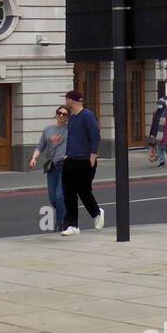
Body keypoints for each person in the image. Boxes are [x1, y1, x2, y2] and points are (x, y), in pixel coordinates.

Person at [60, 90, 104, 236]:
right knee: (68, 193)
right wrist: (67, 154)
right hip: (71, 159)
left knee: (84, 191)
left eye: (66, 99)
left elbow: (95, 135)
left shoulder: (87, 116)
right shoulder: (72, 118)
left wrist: (93, 155)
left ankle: (97, 212)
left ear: (71, 101)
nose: (65, 102)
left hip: (85, 160)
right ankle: (73, 225)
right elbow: (71, 138)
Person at [29, 106, 69, 231]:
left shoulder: (70, 130)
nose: (61, 116)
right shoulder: (48, 130)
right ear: (56, 114)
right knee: (52, 198)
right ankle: (67, 213)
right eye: (59, 113)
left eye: (64, 114)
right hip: (51, 166)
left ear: (68, 117)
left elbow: (78, 143)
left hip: (65, 165)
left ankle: (61, 223)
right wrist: (34, 158)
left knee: (59, 196)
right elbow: (40, 146)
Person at [148, 96, 167, 167]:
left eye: (160, 104)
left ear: (163, 104)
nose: (159, 105)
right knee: (159, 146)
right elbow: (154, 123)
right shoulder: (155, 113)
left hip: (166, 132)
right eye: (158, 104)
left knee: (165, 146)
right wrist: (152, 133)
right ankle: (162, 161)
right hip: (157, 132)